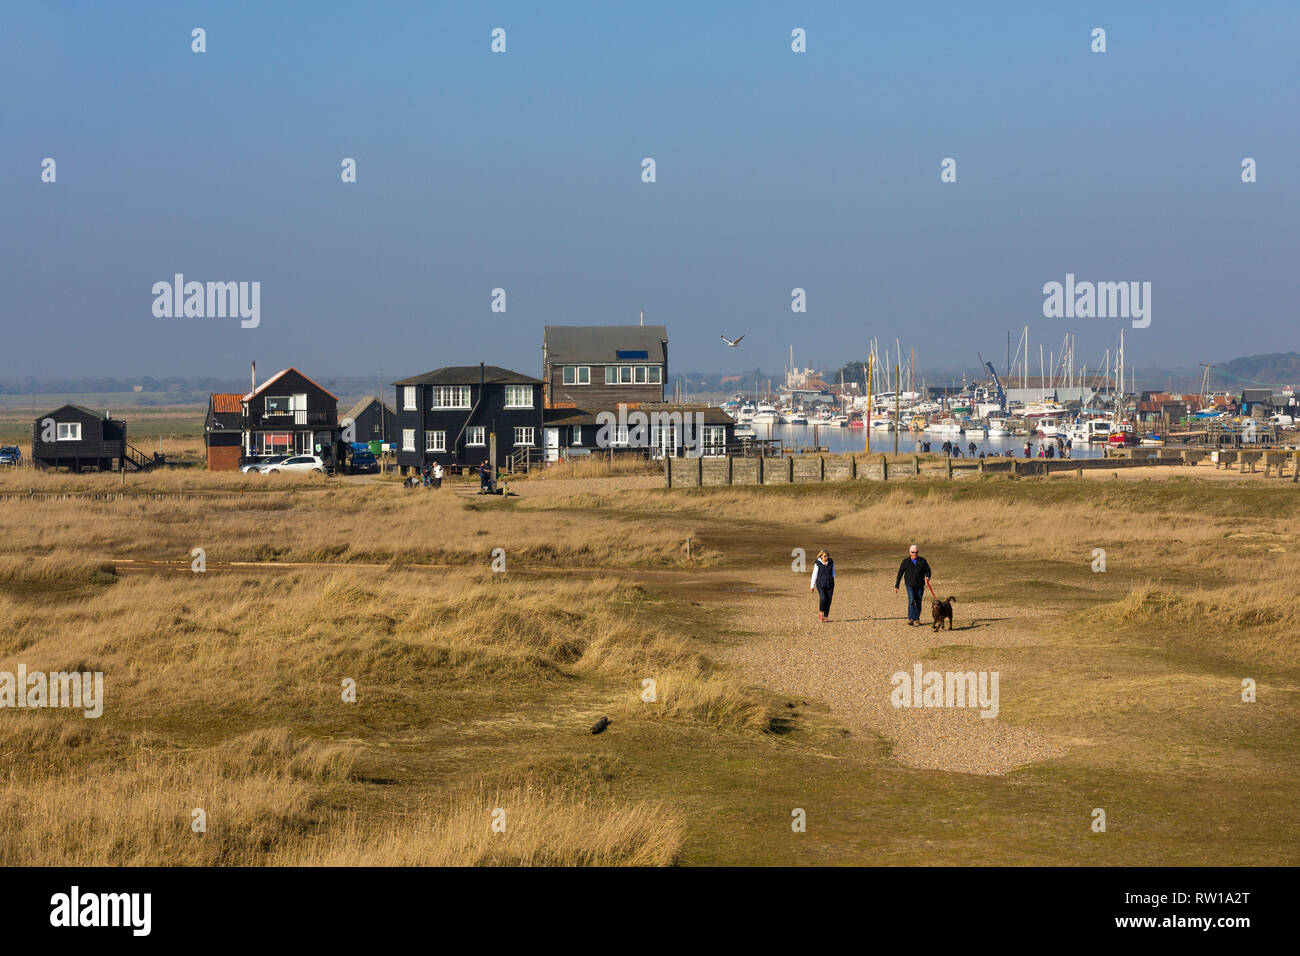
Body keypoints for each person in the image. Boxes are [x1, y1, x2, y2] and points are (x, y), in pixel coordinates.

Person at [894, 544, 932, 627]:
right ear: (910, 552)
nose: (914, 554)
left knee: (918, 602)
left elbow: (928, 571)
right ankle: (911, 618)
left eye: (916, 552)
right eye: (913, 552)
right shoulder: (905, 561)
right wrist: (897, 585)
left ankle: (916, 619)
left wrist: (927, 577)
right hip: (909, 584)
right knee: (911, 601)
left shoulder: (922, 561)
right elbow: (900, 573)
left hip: (920, 585)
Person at [810, 550, 835, 622]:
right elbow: (814, 575)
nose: (826, 557)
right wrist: (812, 585)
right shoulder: (817, 563)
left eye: (827, 556)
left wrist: (832, 578)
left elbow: (833, 572)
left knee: (829, 600)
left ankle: (826, 616)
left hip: (830, 584)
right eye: (825, 556)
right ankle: (821, 612)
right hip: (820, 584)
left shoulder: (831, 562)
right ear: (821, 556)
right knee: (823, 598)